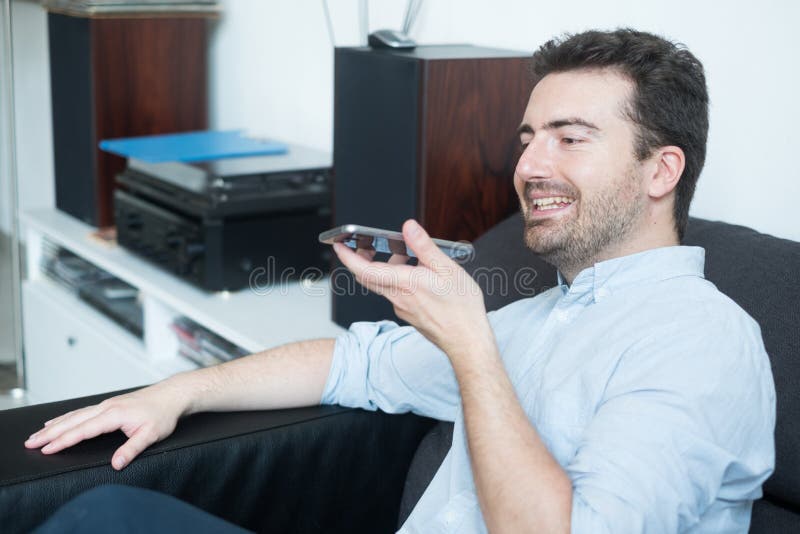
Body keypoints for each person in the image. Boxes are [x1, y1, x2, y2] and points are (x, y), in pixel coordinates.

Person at [25, 28, 775, 533]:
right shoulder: (540, 316)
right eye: (527, 139)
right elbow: (351, 364)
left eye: (569, 138)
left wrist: (471, 349)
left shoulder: (700, 341)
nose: (528, 166)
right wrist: (175, 393)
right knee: (107, 516)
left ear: (660, 170)